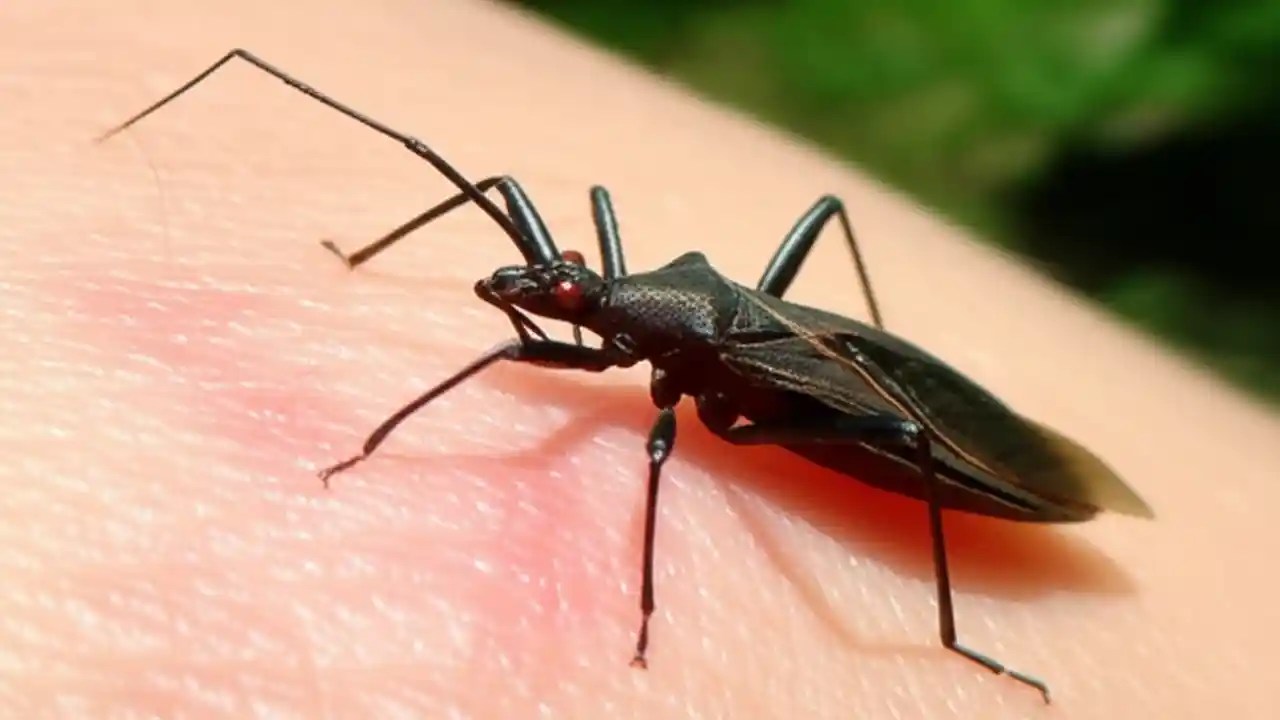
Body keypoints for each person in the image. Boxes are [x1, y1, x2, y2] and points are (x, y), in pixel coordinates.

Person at [3, 0, 1276, 716]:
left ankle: (949, 641)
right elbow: (506, 221)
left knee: (882, 426)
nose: (534, 294)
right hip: (761, 345)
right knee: (492, 180)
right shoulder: (605, 294)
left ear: (596, 310)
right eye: (549, 286)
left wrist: (379, 445)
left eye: (551, 292)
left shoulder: (667, 370)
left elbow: (657, 453)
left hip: (816, 397)